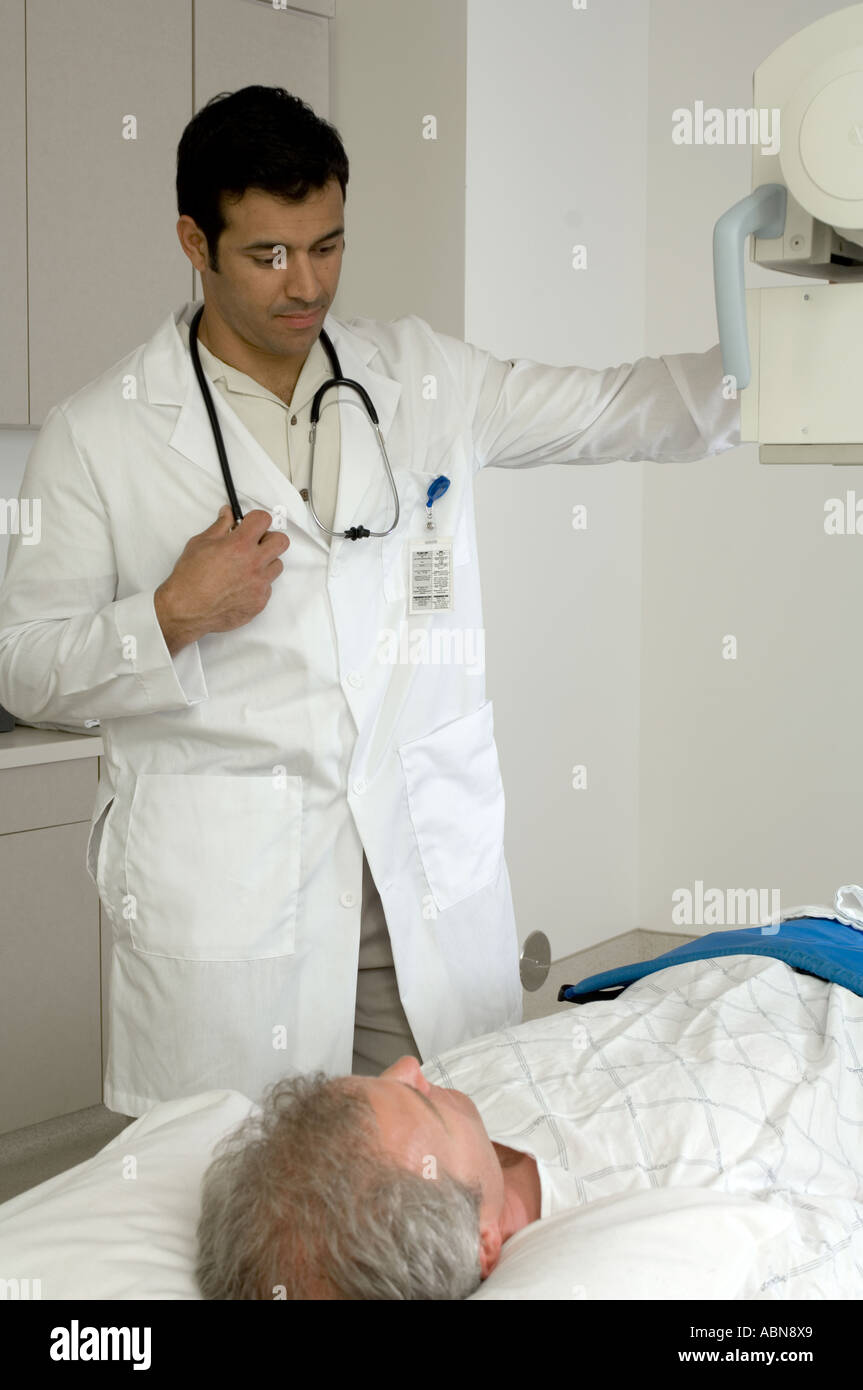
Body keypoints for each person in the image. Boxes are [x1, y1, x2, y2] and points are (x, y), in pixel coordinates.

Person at [0, 86, 741, 1118]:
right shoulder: (102, 432)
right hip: (236, 898)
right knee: (242, 1199)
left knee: (443, 1173)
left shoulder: (420, 379)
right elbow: (26, 662)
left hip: (414, 881)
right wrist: (168, 614)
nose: (305, 284)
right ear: (193, 242)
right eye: (267, 254)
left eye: (327, 245)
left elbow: (617, 408)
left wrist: (784, 356)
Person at [194, 953, 863, 1301]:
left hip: (717, 964)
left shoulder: (459, 1112)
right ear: (484, 1242)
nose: (408, 1064)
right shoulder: (717, 1185)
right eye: (419, 1100)